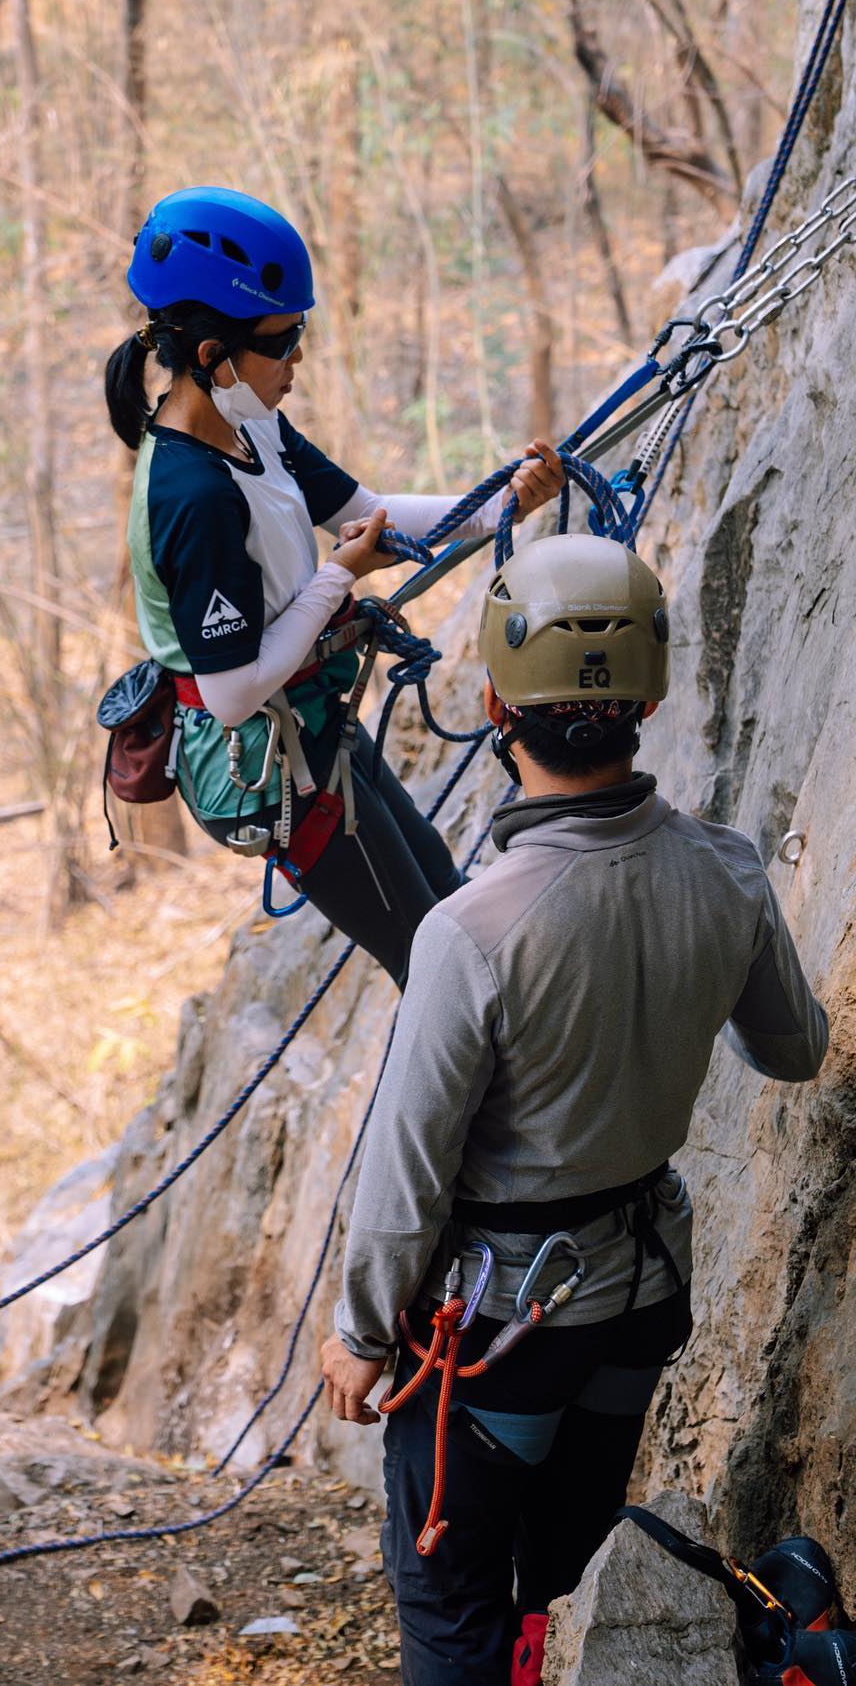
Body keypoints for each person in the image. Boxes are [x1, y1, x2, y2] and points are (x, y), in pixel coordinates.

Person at [318, 535, 828, 1686]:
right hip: (641, 1295)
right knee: (563, 1580)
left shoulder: (473, 930)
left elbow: (409, 1174)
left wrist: (359, 1334)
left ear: (497, 703)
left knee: (452, 1605)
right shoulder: (729, 870)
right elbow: (795, 1050)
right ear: (648, 697)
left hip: (504, 1328)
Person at [106, 185, 567, 983]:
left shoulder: (251, 423)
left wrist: (503, 501)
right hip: (262, 763)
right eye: (284, 341)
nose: (299, 358)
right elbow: (231, 692)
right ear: (213, 354)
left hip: (312, 721)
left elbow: (369, 515)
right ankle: (479, 1107)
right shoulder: (192, 495)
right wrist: (336, 578)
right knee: (441, 966)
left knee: (452, 912)